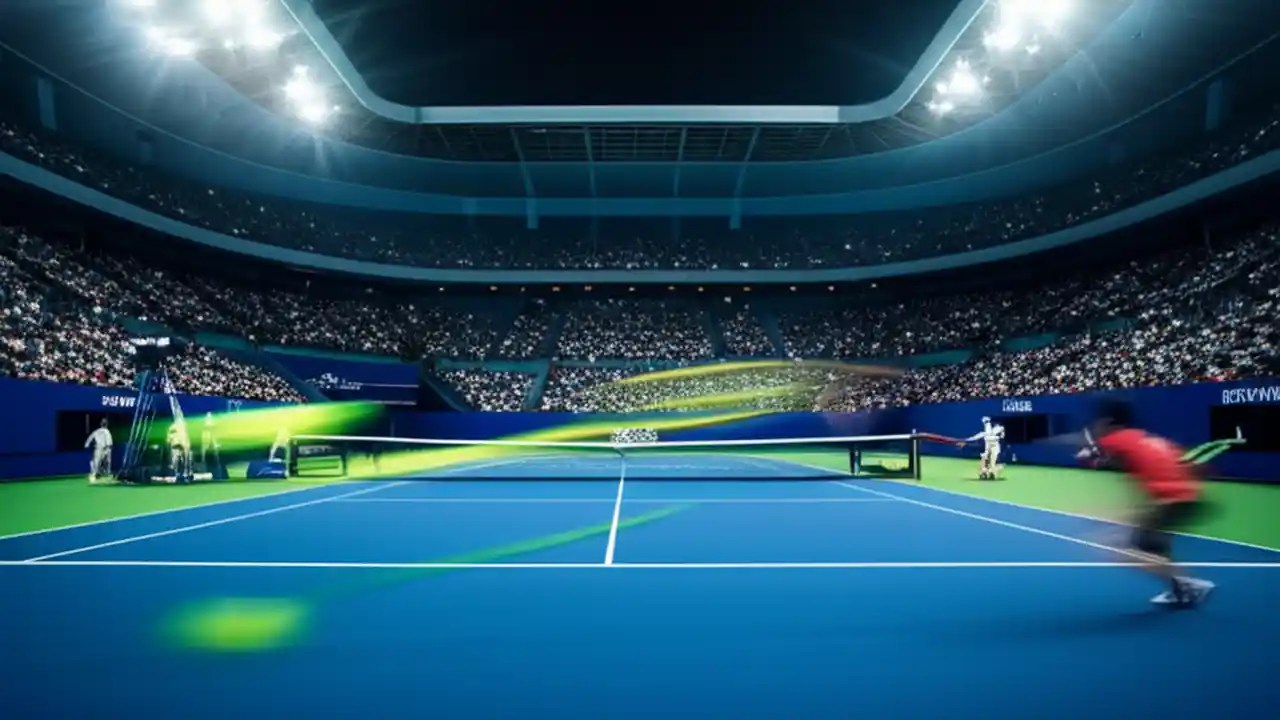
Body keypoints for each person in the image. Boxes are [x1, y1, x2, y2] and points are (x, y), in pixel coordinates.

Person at [1080, 399, 1215, 608]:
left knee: (1124, 549)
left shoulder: (1115, 439)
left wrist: (1087, 455)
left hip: (1170, 500)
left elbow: (1096, 456)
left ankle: (1189, 583)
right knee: (1156, 548)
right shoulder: (1150, 438)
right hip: (1188, 497)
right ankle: (1180, 590)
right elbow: (1195, 467)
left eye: (1099, 423)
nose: (1097, 427)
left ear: (1108, 422)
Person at [85, 419, 113, 484]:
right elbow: (109, 442)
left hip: (98, 448)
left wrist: (87, 444)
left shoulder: (97, 431)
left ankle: (96, 474)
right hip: (105, 448)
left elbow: (90, 438)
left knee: (97, 462)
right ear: (106, 424)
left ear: (101, 424)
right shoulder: (107, 431)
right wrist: (108, 448)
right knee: (106, 462)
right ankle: (105, 474)